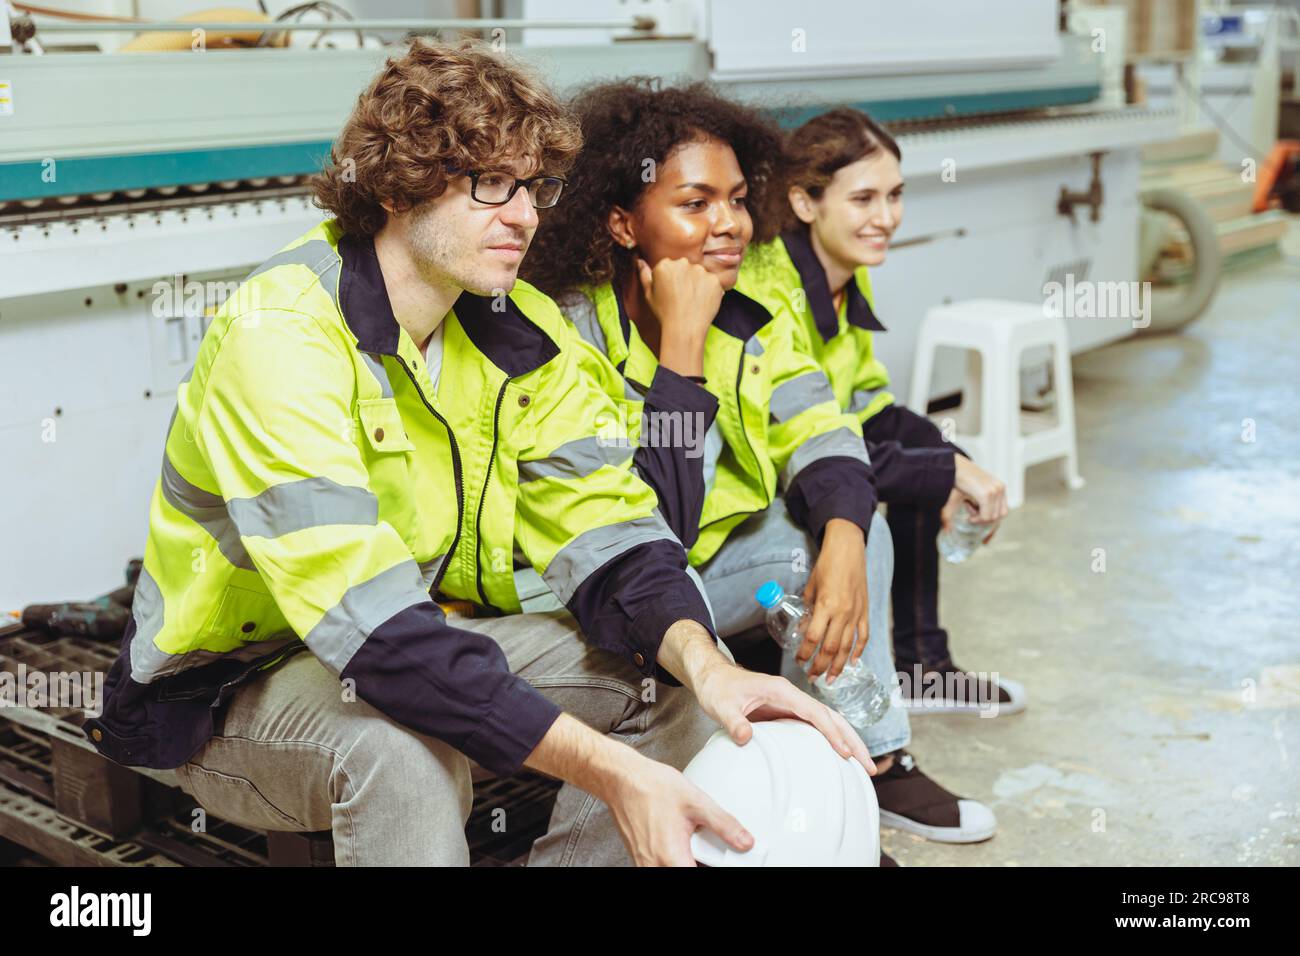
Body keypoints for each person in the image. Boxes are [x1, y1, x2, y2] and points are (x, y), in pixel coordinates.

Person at [81, 42, 873, 868]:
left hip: (408, 634)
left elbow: (610, 522)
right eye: (492, 184)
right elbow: (375, 632)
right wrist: (610, 770)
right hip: (226, 690)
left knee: (668, 684)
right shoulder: (282, 336)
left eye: (534, 187)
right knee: (405, 756)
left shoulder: (515, 326)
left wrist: (710, 670)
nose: (526, 215)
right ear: (395, 186)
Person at [524, 81, 998, 845]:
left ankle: (861, 777)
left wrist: (846, 535)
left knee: (848, 526)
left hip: (707, 572)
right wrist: (679, 351)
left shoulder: (747, 319)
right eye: (696, 203)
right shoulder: (566, 333)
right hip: (604, 595)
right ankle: (807, 801)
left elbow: (826, 428)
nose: (731, 224)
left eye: (739, 200)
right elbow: (650, 530)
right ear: (620, 221)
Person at [738, 107, 1026, 716]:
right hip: (770, 474)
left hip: (824, 447)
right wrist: (944, 472)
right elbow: (792, 437)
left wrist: (952, 460)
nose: (887, 218)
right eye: (864, 199)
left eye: (895, 196)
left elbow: (868, 405)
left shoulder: (842, 271)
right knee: (918, 475)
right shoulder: (765, 286)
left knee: (927, 452)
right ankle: (868, 719)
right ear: (805, 201)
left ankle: (924, 666)